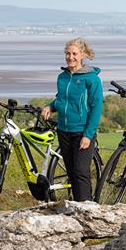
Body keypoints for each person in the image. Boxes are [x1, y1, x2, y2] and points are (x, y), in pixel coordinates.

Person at [41, 38, 103, 202]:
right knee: (72, 173)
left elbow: (96, 109)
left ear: (82, 55)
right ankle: (76, 209)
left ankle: (87, 211)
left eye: (74, 54)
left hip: (82, 132)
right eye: (68, 54)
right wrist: (50, 107)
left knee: (81, 172)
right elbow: (61, 100)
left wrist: (88, 135)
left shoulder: (92, 79)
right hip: (64, 131)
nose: (70, 57)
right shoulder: (62, 77)